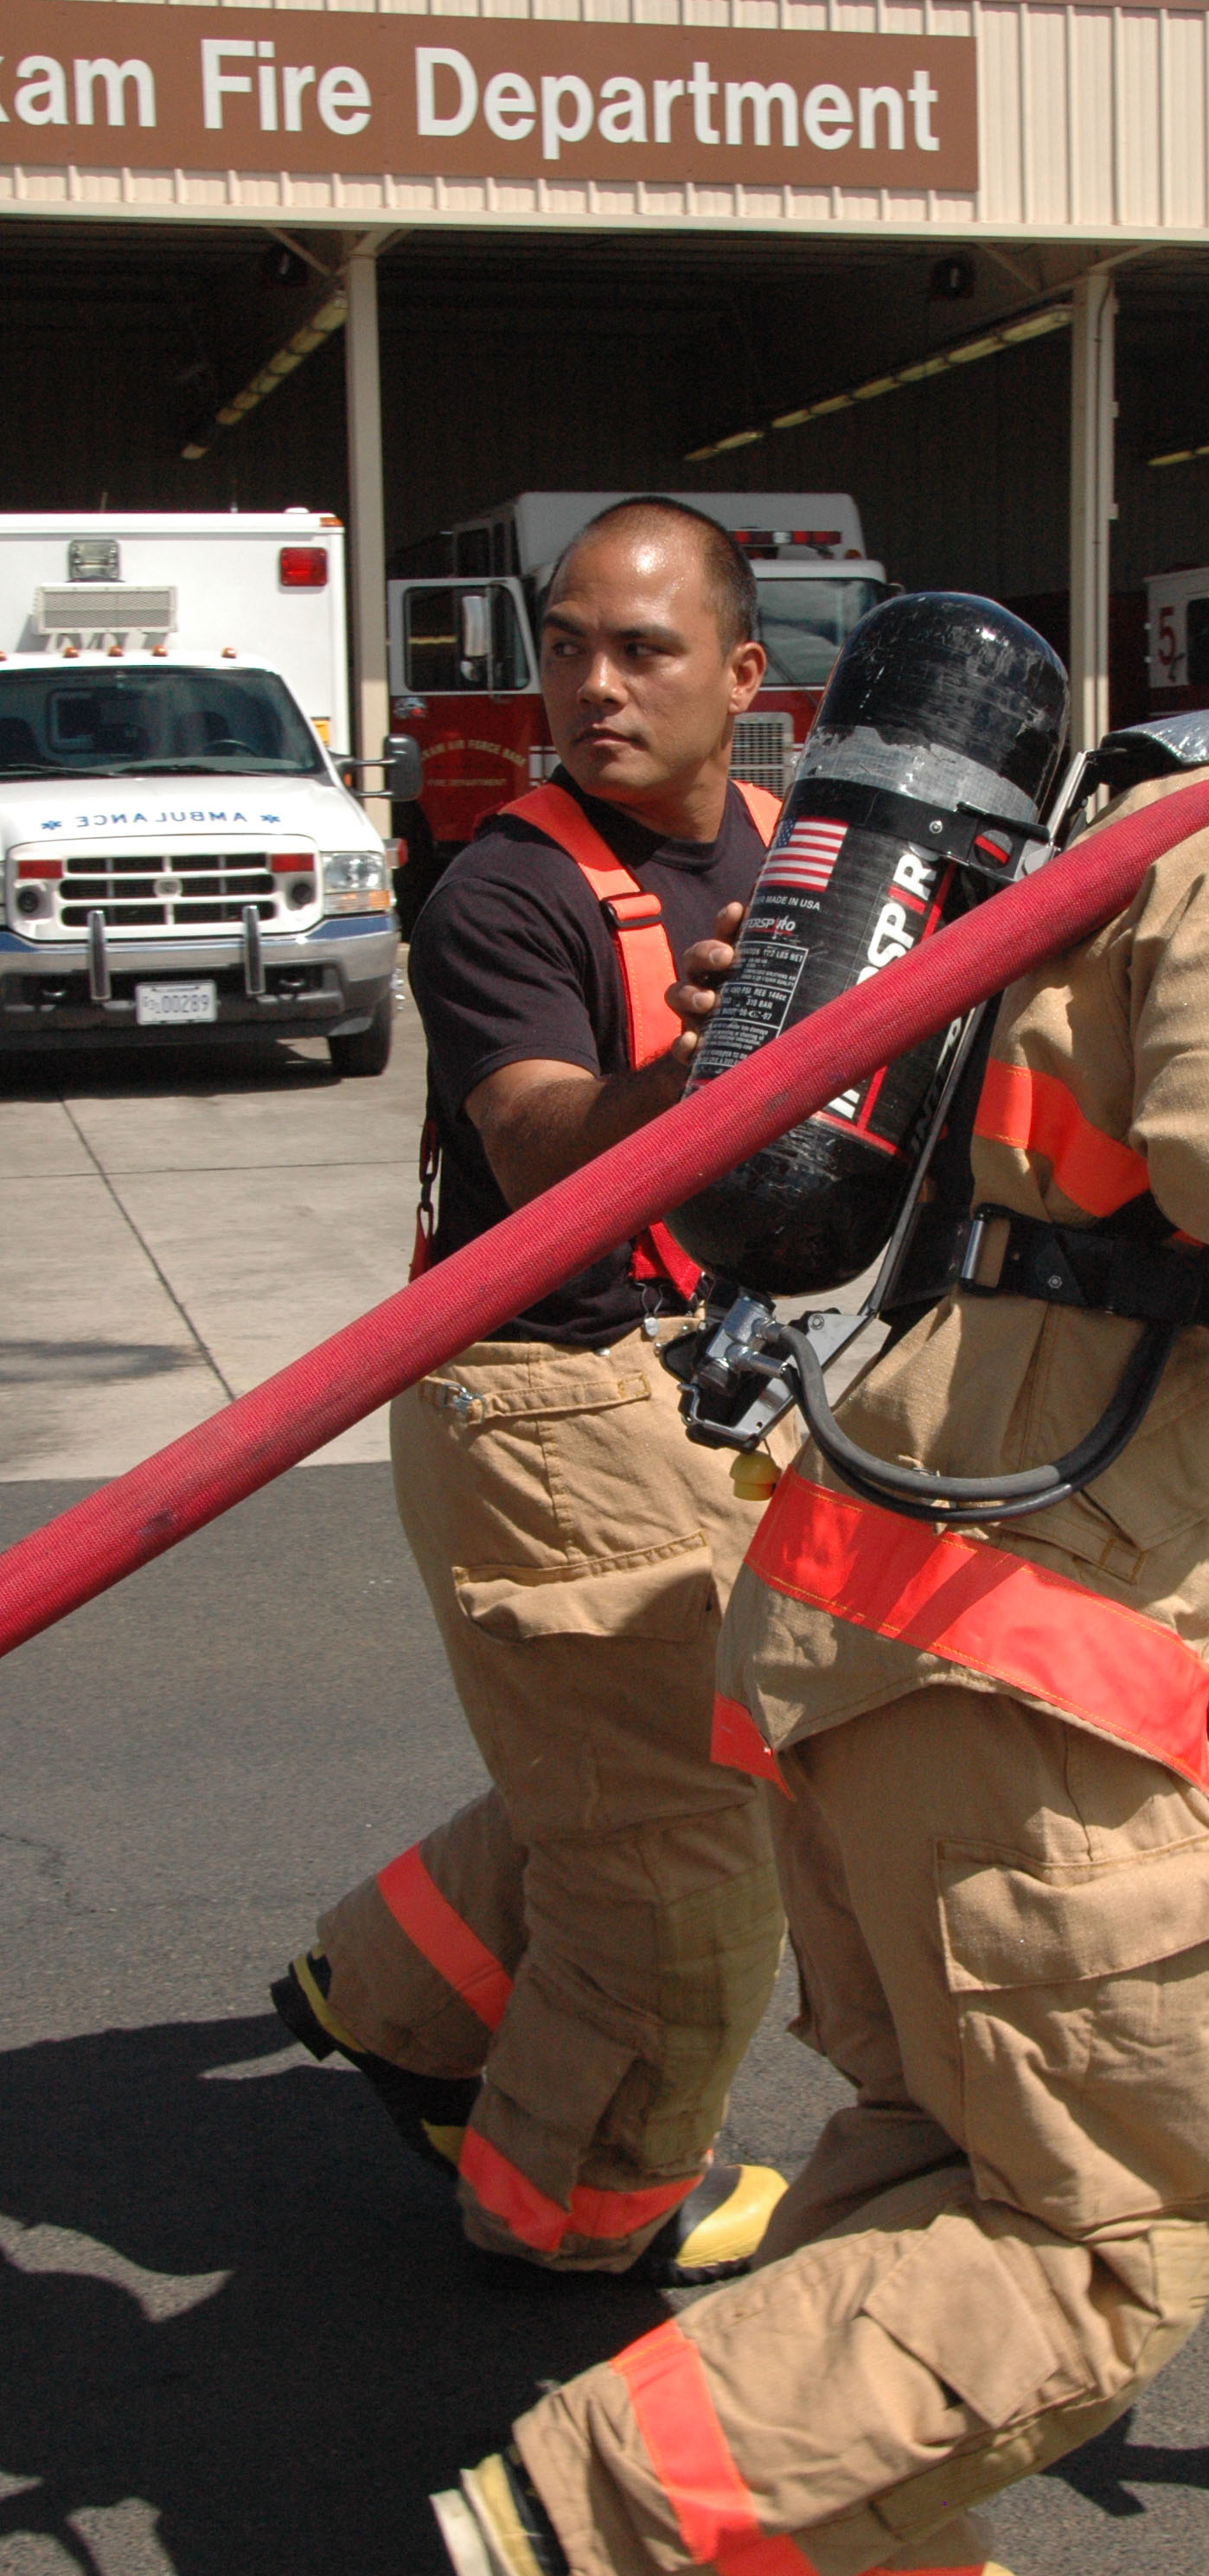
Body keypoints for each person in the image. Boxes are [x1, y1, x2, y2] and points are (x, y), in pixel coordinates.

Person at [433, 470, 1209, 2573]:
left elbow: (1128, 1369)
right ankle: (568, 2528)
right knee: (1111, 2235)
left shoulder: (1139, 855)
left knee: (944, 2172)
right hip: (1014, 1707)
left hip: (881, 1639)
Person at [272, 496, 796, 2285]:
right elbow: (544, 1144)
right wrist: (700, 1064)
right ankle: (574, 2206)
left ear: (744, 673)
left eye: (639, 649)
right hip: (541, 1404)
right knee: (679, 1853)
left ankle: (392, 1987)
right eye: (563, 643)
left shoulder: (790, 858)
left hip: (710, 1377)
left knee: (646, 1771)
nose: (588, 682)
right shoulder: (500, 888)